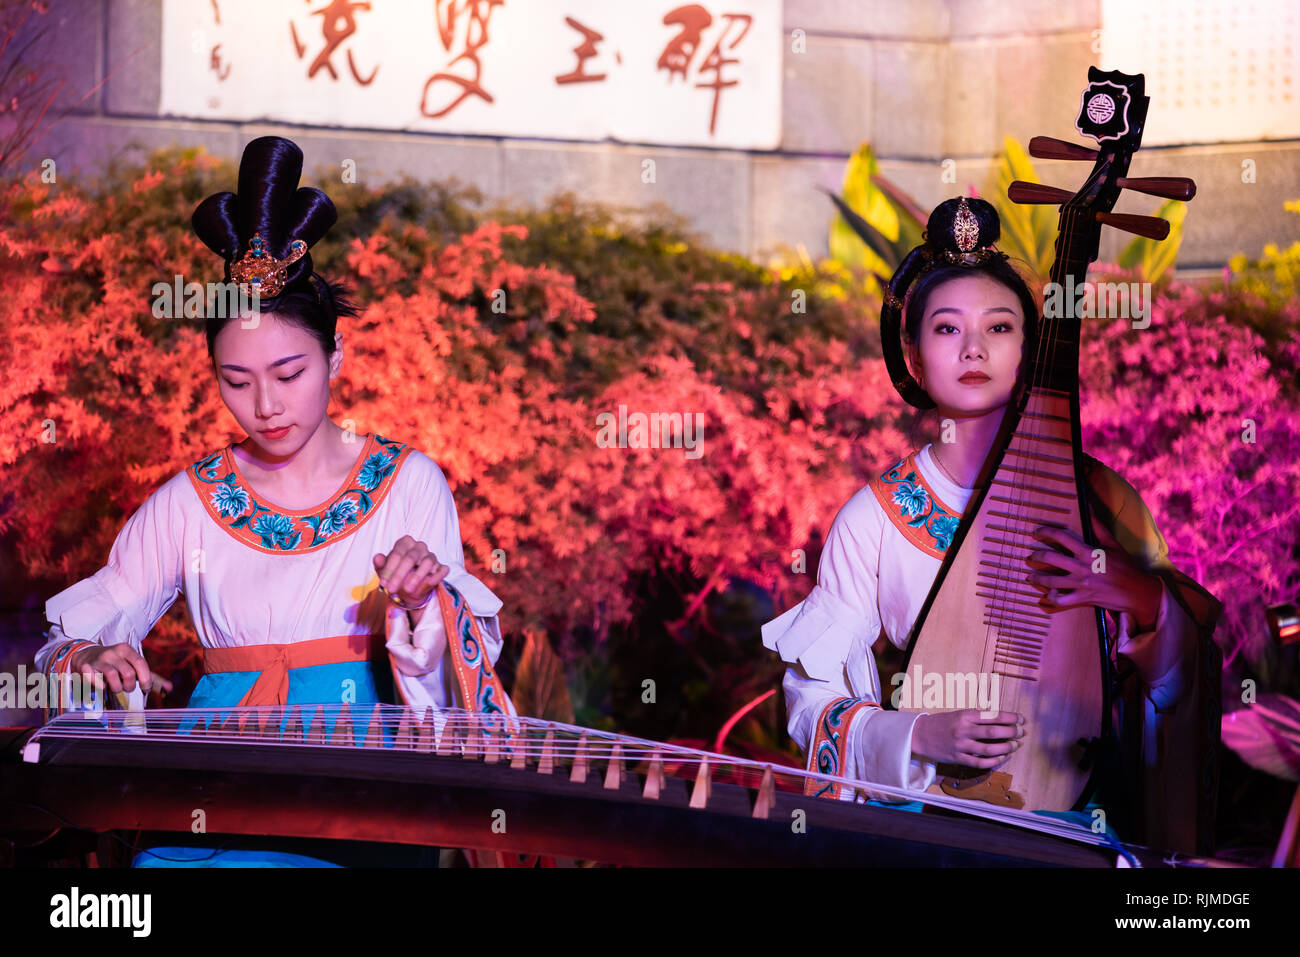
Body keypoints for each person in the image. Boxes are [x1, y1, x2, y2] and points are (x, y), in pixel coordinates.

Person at [32, 136, 514, 865]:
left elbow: (454, 681)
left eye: (289, 372)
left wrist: (425, 601)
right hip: (209, 789)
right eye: (236, 379)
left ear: (335, 357)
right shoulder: (189, 501)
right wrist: (93, 655)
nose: (265, 404)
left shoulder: (409, 482)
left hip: (362, 791)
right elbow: (75, 633)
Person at [761, 197, 1223, 856]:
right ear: (914, 359)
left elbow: (1182, 693)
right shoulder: (877, 518)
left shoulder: (1098, 500)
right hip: (925, 822)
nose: (975, 347)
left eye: (1000, 328)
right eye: (947, 329)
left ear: (1030, 352)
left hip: (1076, 824)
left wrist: (1144, 600)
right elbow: (812, 705)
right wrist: (917, 735)